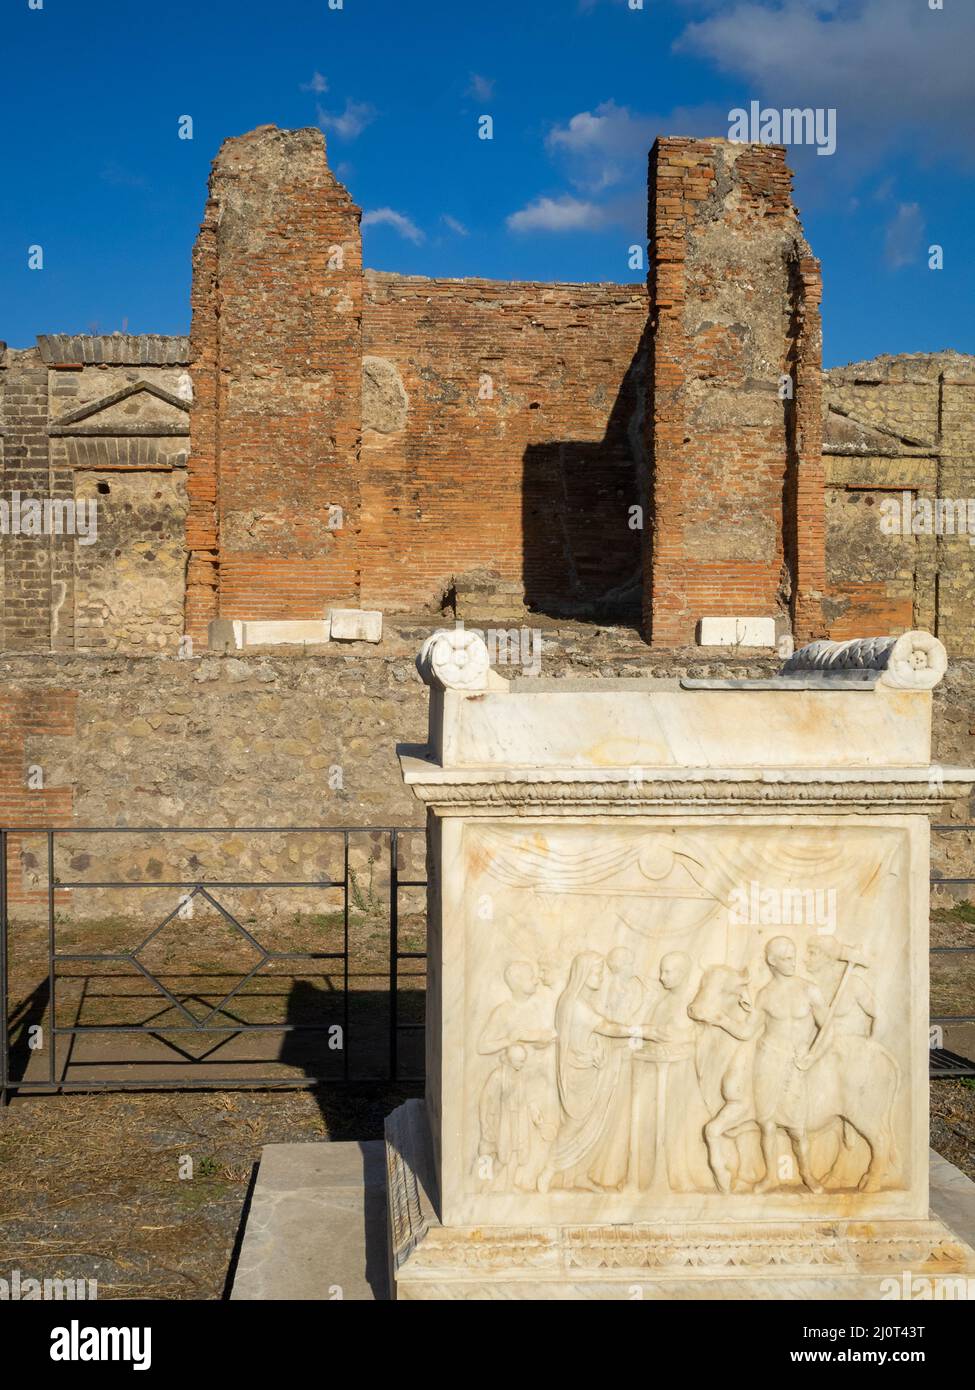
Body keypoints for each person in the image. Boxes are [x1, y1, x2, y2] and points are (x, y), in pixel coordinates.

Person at [537, 952, 655, 1193]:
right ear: (581, 974)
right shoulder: (575, 1004)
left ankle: (577, 1176)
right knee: (574, 1124)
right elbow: (608, 1028)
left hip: (591, 1069)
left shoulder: (579, 1001)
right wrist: (642, 1030)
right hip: (579, 1075)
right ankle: (548, 1170)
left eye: (601, 972)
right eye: (595, 972)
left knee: (591, 1126)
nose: (600, 977)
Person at [750, 936, 827, 1194]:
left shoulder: (809, 989)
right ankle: (771, 1175)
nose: (793, 962)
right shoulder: (764, 995)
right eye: (786, 958)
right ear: (772, 961)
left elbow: (828, 1029)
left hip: (795, 1063)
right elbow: (746, 1030)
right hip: (768, 1061)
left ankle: (807, 1174)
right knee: (767, 1125)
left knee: (797, 1128)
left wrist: (812, 1056)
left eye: (793, 956)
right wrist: (718, 1017)